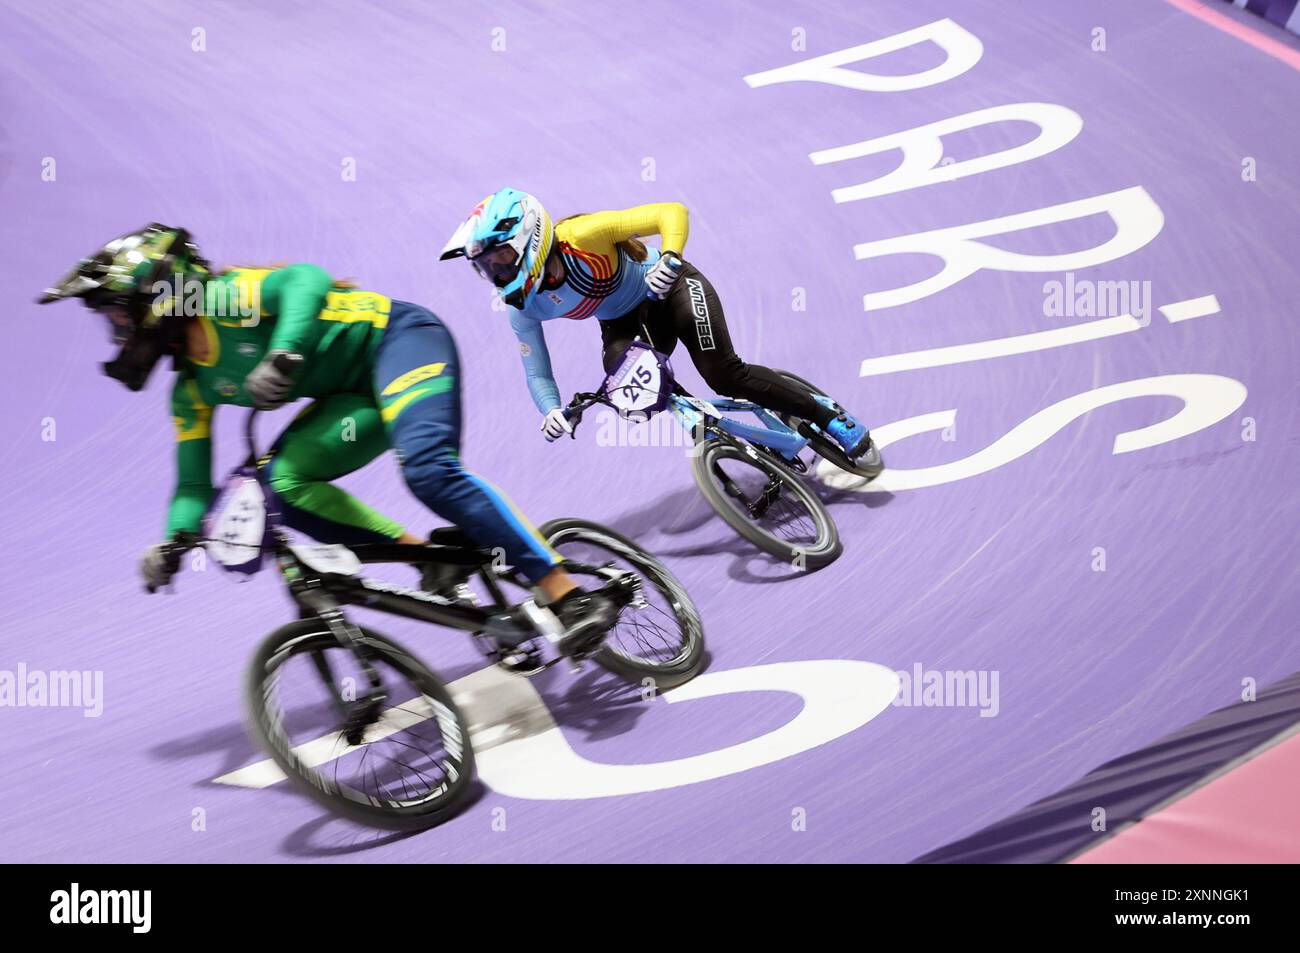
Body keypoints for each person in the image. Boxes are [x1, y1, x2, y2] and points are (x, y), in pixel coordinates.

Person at [37, 223, 613, 650]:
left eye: (116, 317)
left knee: (428, 471)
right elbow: (191, 484)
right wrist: (173, 541)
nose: (116, 335)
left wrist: (285, 353)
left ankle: (567, 593)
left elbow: (304, 282)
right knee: (275, 485)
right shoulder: (189, 393)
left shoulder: (218, 299)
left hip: (399, 342)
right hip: (354, 399)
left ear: (157, 296)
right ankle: (430, 561)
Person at [439, 188, 879, 465]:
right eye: (486, 268)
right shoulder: (522, 306)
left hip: (671, 289)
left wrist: (669, 258)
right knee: (632, 384)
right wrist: (552, 410)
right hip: (623, 323)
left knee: (724, 374)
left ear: (527, 240)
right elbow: (537, 372)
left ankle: (828, 415)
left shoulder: (585, 235)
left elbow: (671, 211)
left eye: (500, 262)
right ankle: (722, 434)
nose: (497, 276)